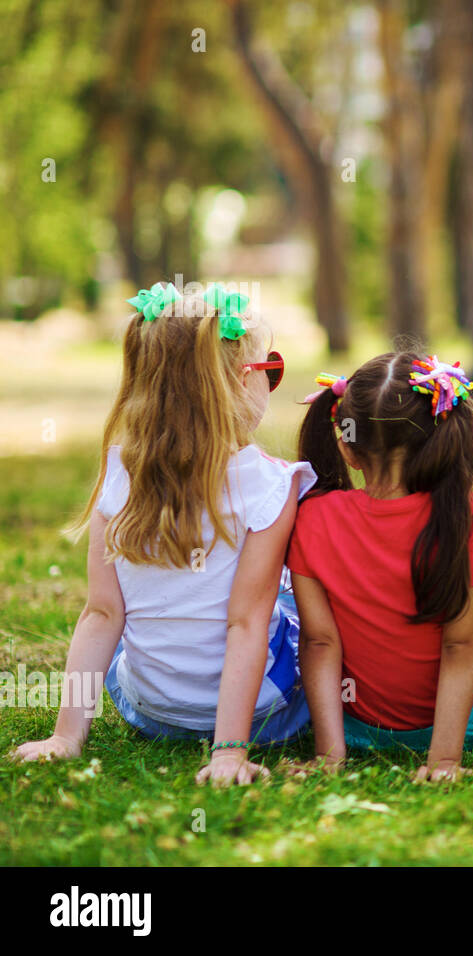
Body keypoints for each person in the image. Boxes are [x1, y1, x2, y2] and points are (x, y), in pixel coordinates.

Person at [11, 282, 315, 785]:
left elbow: (102, 614)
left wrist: (64, 738)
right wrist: (228, 754)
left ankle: (78, 730)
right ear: (242, 382)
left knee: (125, 630)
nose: (272, 382)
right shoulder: (270, 485)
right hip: (266, 716)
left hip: (152, 710)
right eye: (272, 371)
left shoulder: (119, 473)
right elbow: (246, 624)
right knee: (301, 606)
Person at [290, 353, 473, 782]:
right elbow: (461, 647)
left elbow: (320, 643)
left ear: (346, 443)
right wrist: (444, 761)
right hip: (471, 725)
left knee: (452, 620)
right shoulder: (470, 512)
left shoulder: (311, 516)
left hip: (358, 730)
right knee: (469, 627)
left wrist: (329, 755)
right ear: (441, 438)